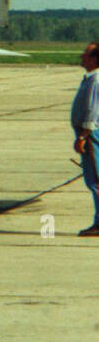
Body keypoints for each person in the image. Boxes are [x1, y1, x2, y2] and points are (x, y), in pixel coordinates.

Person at [72, 41, 99, 236]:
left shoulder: (96, 81)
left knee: (96, 181)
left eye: (86, 54)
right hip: (91, 135)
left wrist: (82, 136)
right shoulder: (91, 79)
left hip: (92, 136)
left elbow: (92, 112)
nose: (82, 56)